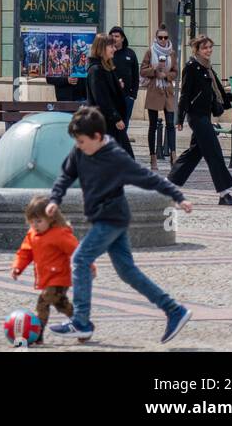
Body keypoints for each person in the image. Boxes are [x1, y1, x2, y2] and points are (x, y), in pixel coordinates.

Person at [47, 105, 193, 345]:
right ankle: (174, 310)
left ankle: (81, 322)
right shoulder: (80, 151)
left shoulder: (116, 157)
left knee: (80, 260)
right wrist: (55, 200)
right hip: (103, 217)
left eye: (82, 142)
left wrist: (178, 196)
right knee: (127, 272)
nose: (79, 146)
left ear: (97, 137)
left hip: (112, 218)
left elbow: (149, 178)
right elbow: (65, 175)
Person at [170, 35, 232, 205]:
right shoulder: (191, 68)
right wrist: (179, 118)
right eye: (205, 48)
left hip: (205, 115)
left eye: (210, 47)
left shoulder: (208, 69)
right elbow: (185, 95)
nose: (208, 50)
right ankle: (224, 193)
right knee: (214, 153)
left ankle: (168, 185)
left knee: (193, 153)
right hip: (196, 117)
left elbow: (220, 92)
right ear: (196, 50)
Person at [10, 194, 81, 343]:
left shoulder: (60, 234)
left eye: (39, 221)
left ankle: (37, 334)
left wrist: (89, 266)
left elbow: (77, 251)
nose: (35, 225)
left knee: (42, 303)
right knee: (61, 305)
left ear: (51, 218)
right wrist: (17, 267)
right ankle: (80, 323)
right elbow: (24, 253)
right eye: (32, 221)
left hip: (59, 278)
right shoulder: (32, 234)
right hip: (46, 278)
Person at [86, 33, 133, 156]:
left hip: (111, 122)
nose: (115, 49)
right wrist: (116, 118)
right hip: (105, 123)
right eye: (111, 46)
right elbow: (101, 99)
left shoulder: (106, 68)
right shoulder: (96, 70)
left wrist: (118, 85)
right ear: (102, 48)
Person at [140, 26, 178, 169]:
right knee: (153, 126)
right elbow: (142, 70)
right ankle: (153, 157)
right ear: (156, 38)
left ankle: (173, 155)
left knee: (170, 124)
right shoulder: (150, 51)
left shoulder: (172, 53)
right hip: (154, 90)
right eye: (160, 37)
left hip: (167, 90)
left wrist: (167, 76)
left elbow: (175, 71)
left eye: (165, 37)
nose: (163, 40)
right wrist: (155, 71)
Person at [109, 26, 140, 130]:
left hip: (127, 97)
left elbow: (136, 76)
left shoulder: (130, 53)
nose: (114, 38)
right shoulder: (107, 54)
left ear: (122, 38)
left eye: (117, 36)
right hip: (111, 97)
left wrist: (133, 95)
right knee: (112, 125)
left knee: (124, 125)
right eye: (112, 36)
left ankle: (122, 145)